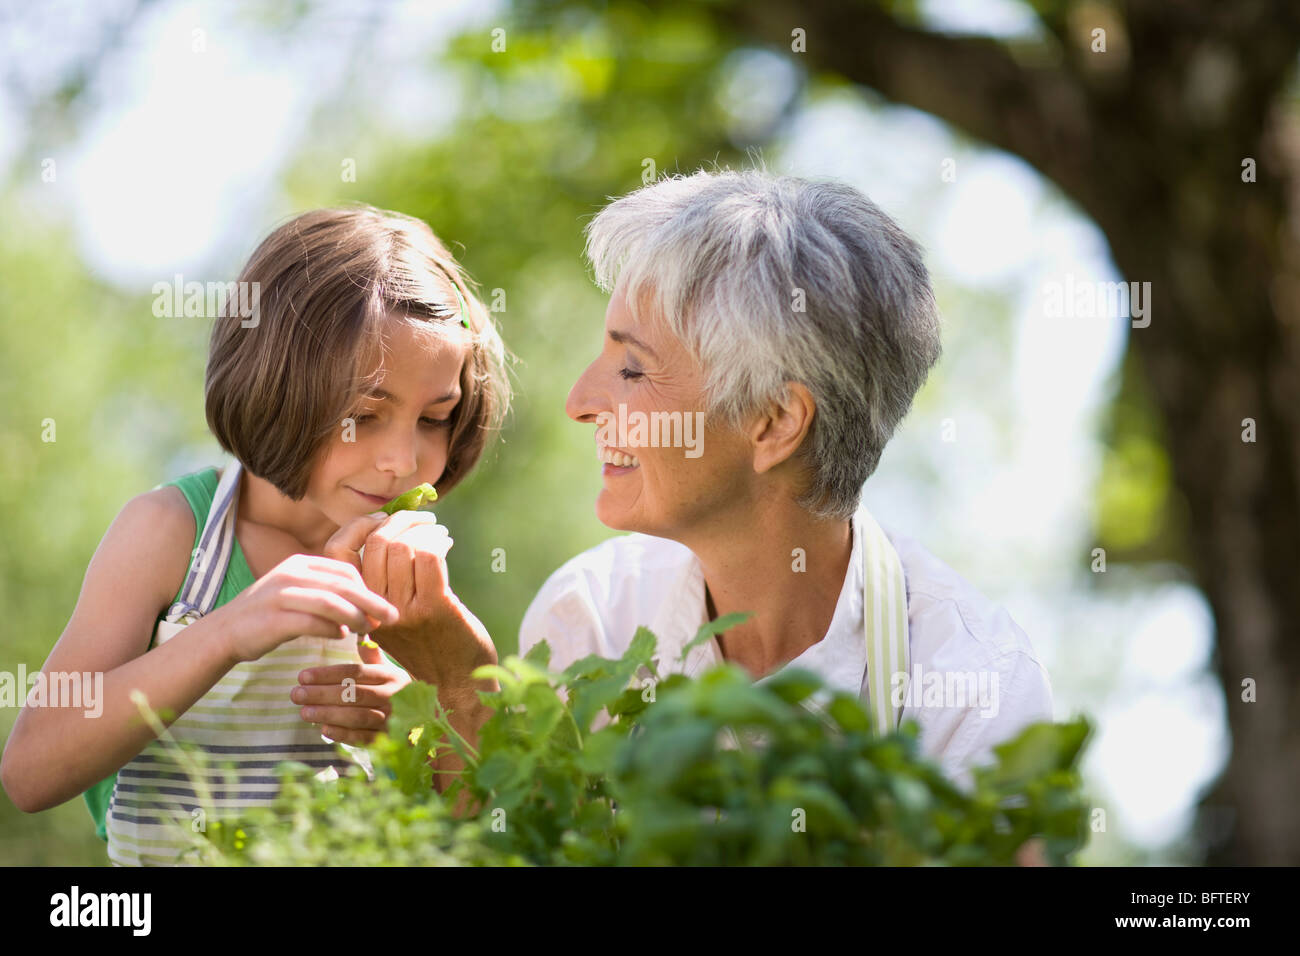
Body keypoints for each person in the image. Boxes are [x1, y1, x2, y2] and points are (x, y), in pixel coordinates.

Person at [0, 205, 508, 864]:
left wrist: (416, 717)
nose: (401, 460)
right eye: (364, 414)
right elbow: (31, 773)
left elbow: (464, 827)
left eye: (436, 418)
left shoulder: (396, 560)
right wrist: (226, 632)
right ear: (276, 386)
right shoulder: (172, 533)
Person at [518, 169, 1054, 793]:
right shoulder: (591, 617)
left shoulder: (975, 693)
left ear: (773, 422)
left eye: (633, 370)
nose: (579, 401)